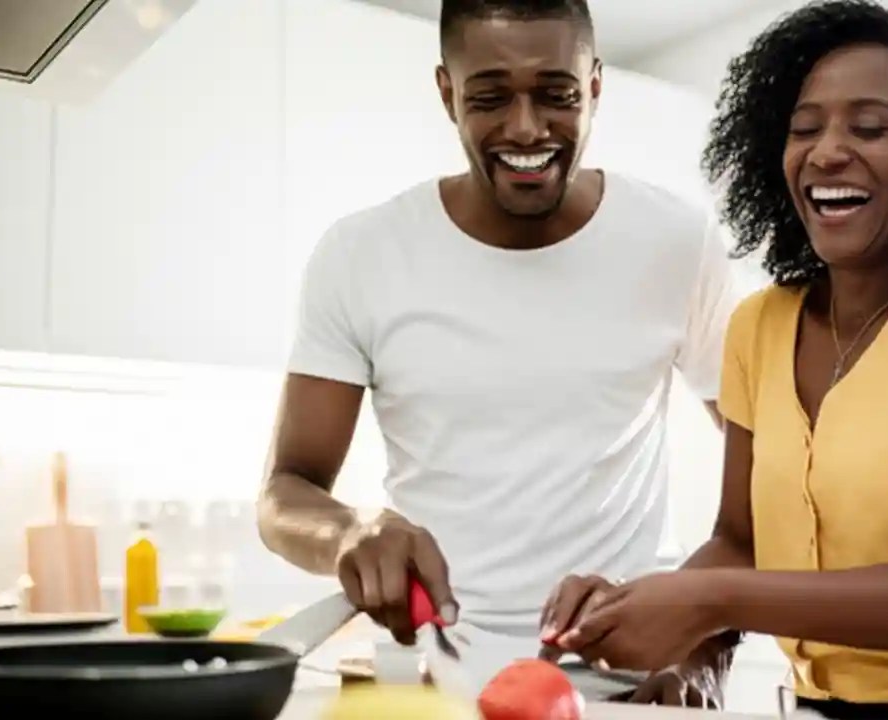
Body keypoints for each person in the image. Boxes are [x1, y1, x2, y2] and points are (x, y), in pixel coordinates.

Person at [542, 1, 888, 717]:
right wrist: (643, 612)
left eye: (871, 128)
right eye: (804, 129)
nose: (826, 150)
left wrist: (711, 601)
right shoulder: (760, 325)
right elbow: (739, 542)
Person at [255, 0, 741, 699]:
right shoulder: (361, 254)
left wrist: (709, 637)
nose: (526, 128)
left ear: (596, 87)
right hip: (429, 687)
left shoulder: (676, 243)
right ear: (446, 92)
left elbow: (779, 481)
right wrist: (348, 532)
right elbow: (285, 491)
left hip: (625, 687)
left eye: (557, 94)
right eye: (488, 97)